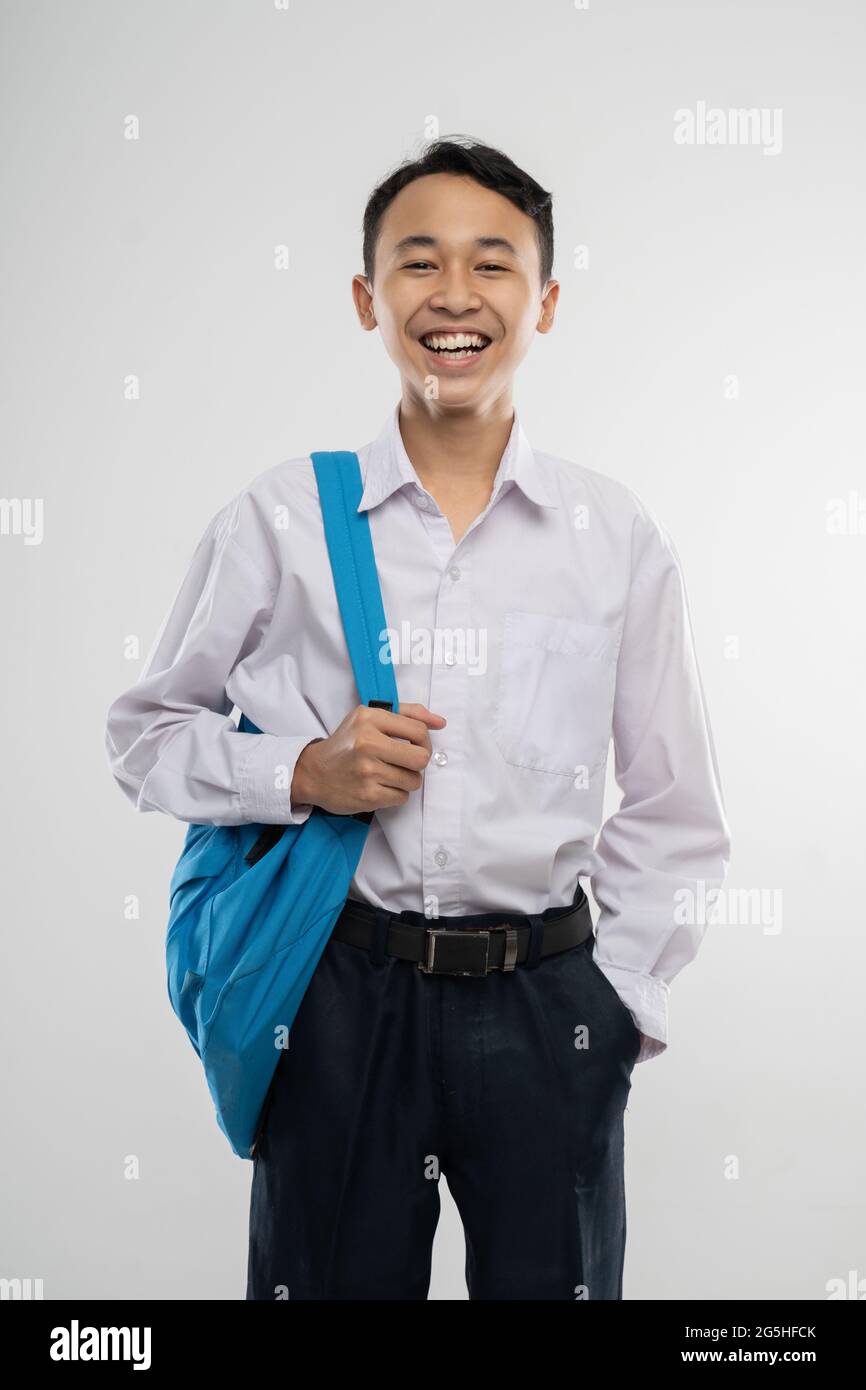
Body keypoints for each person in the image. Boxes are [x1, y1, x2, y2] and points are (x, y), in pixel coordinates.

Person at [105, 135, 731, 1301]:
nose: (454, 295)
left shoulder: (614, 536)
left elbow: (672, 800)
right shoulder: (281, 518)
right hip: (338, 997)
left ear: (543, 300)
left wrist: (617, 1004)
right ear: (366, 297)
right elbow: (143, 736)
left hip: (550, 1001)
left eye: (491, 264)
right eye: (417, 263)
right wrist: (302, 771)